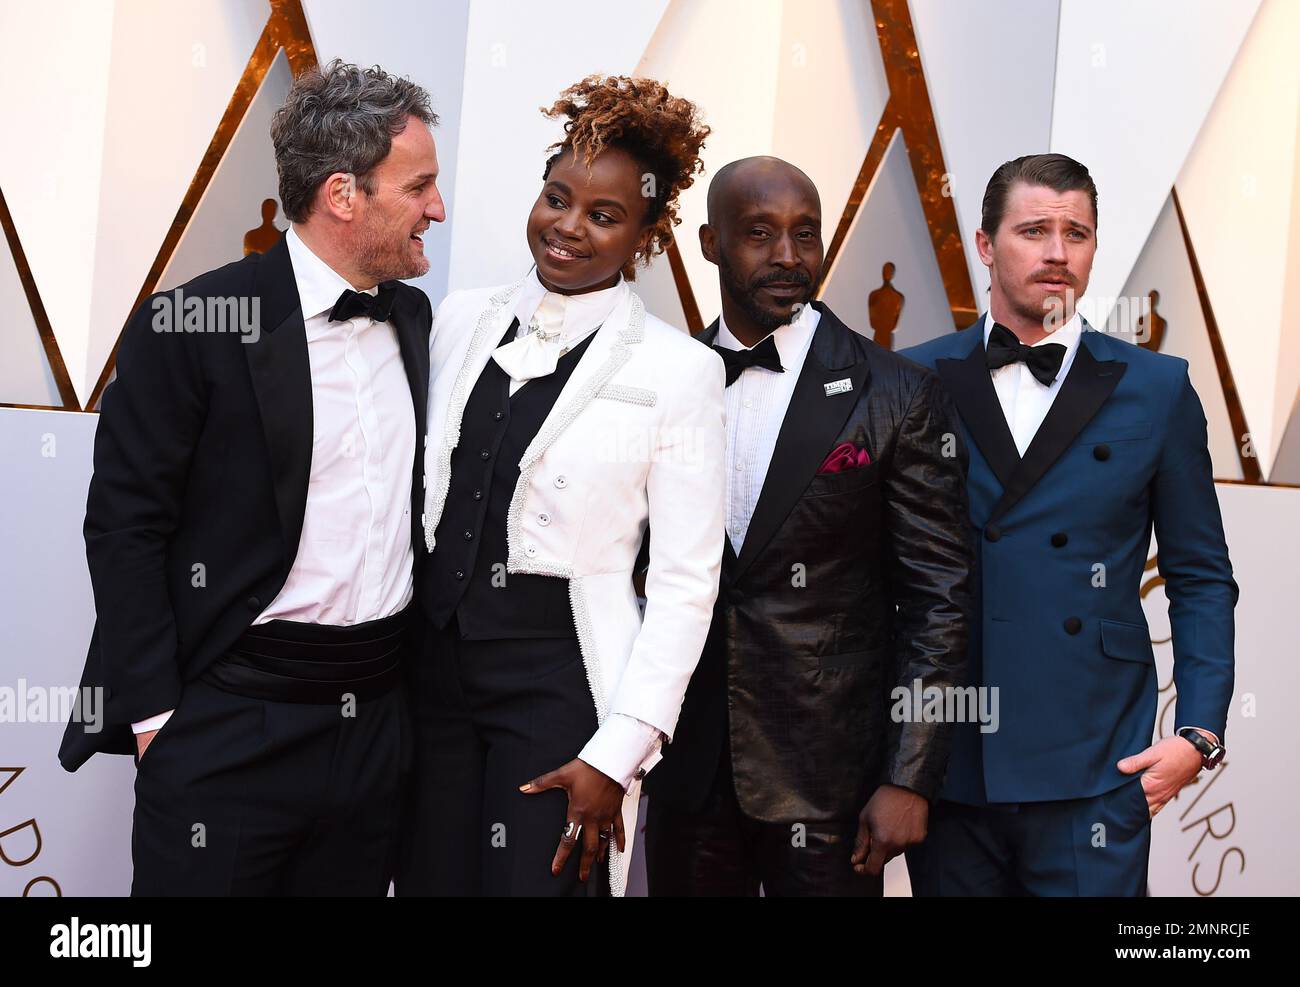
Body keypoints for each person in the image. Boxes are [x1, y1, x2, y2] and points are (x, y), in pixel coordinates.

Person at [58, 60, 446, 895]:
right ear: (344, 194)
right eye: (418, 187)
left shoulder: (411, 316)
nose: (437, 210)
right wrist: (163, 720)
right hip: (231, 725)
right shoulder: (191, 322)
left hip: (376, 722)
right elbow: (125, 529)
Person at [397, 75, 724, 897]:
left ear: (645, 237)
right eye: (557, 198)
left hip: (560, 694)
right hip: (429, 688)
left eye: (604, 215)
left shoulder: (681, 370)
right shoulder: (457, 319)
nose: (568, 227)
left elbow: (687, 584)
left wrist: (618, 752)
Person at [901, 153, 1237, 896]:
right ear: (985, 245)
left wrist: (1200, 734)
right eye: (1034, 230)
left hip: (1097, 761)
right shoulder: (913, 376)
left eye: (1076, 233)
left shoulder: (1157, 388)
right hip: (951, 761)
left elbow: (1201, 574)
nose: (1058, 252)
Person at [643, 156, 973, 896]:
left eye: (805, 234)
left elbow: (940, 602)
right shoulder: (664, 378)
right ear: (710, 242)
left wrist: (910, 775)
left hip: (833, 785)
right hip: (686, 771)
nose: (788, 256)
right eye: (759, 233)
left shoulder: (897, 394)